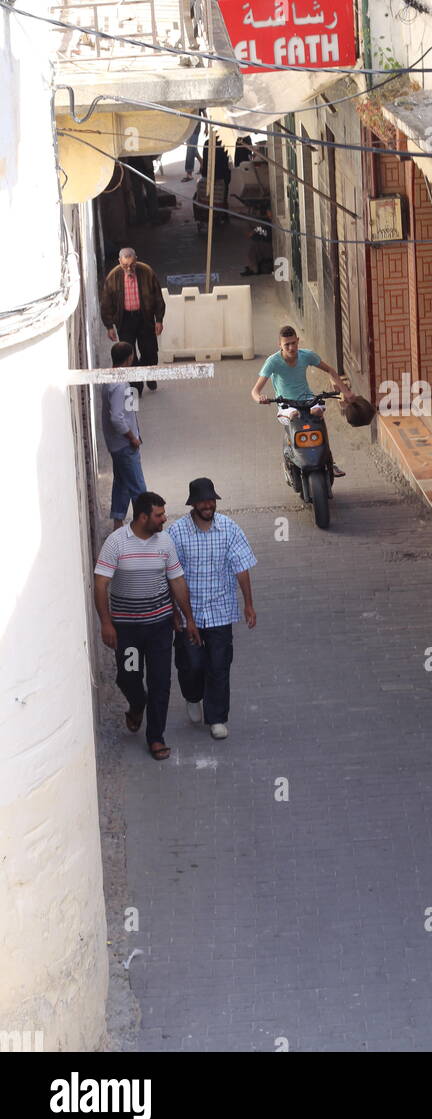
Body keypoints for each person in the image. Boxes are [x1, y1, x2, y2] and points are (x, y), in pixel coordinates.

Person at [94, 492, 200, 761]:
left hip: (159, 628)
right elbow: (100, 584)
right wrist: (106, 623)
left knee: (160, 682)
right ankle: (136, 704)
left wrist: (188, 619)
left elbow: (177, 581)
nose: (164, 519)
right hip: (127, 630)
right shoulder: (116, 543)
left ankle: (156, 737)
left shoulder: (165, 542)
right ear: (143, 517)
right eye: (159, 515)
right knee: (129, 676)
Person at [168, 478, 258, 741]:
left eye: (212, 500)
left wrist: (248, 605)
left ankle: (217, 717)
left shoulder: (230, 529)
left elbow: (241, 567)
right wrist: (175, 611)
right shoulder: (177, 533)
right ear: (193, 504)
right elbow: (172, 576)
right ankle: (193, 696)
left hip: (221, 609)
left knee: (219, 665)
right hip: (189, 613)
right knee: (191, 664)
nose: (208, 505)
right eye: (203, 501)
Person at [251, 325, 356, 477]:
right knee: (294, 415)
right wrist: (259, 398)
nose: (291, 347)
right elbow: (255, 391)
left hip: (308, 400)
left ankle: (329, 460)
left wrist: (346, 392)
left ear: (298, 340)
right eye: (287, 344)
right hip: (286, 404)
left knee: (318, 412)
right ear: (279, 345)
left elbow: (330, 370)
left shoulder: (306, 355)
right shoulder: (273, 361)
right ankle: (289, 457)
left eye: (293, 343)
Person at [100, 247, 165, 394]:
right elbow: (106, 303)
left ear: (136, 259)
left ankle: (150, 376)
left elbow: (158, 298)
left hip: (145, 318)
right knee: (129, 355)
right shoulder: (113, 277)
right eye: (125, 266)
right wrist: (109, 326)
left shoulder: (147, 272)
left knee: (150, 351)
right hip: (125, 320)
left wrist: (159, 319)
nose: (129, 268)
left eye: (132, 265)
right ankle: (136, 387)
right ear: (119, 262)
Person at [102, 341, 146, 529]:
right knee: (139, 489)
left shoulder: (110, 378)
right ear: (130, 358)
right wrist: (132, 438)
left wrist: (137, 432)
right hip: (124, 445)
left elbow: (128, 412)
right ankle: (144, 527)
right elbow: (117, 418)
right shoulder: (119, 384)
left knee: (121, 484)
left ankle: (118, 523)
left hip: (117, 443)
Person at [182, 117, 202, 182]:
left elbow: (204, 112)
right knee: (193, 149)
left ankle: (189, 173)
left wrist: (207, 127)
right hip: (188, 128)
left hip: (195, 129)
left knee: (190, 150)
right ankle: (203, 164)